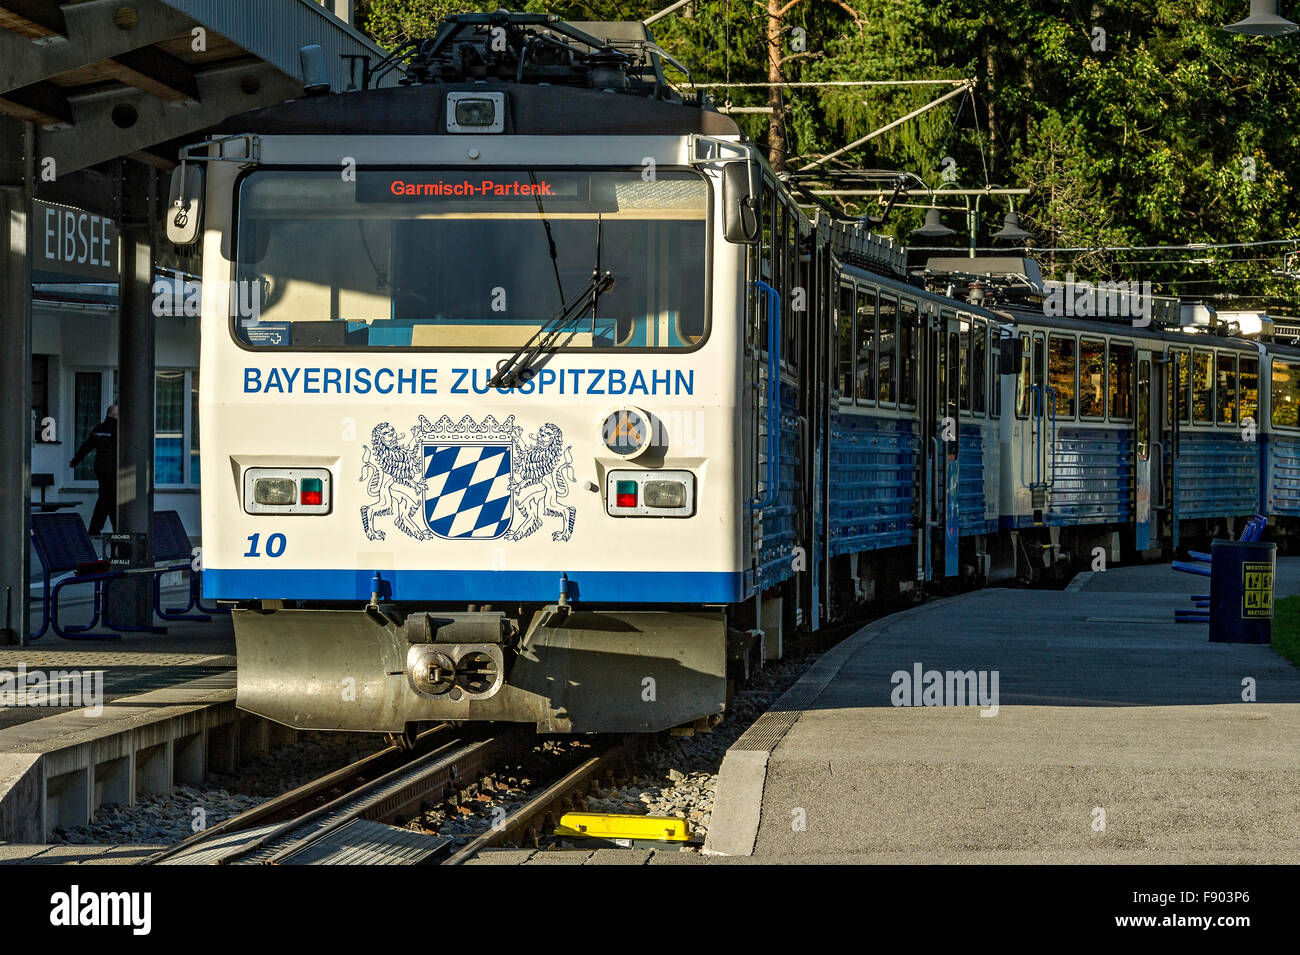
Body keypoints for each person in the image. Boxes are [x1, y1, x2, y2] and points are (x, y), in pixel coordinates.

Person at [70, 404, 118, 534]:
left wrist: (75, 461)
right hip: (113, 469)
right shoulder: (117, 429)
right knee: (111, 498)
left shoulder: (98, 429)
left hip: (100, 468)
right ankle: (114, 529)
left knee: (105, 497)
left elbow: (87, 446)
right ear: (115, 415)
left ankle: (95, 529)